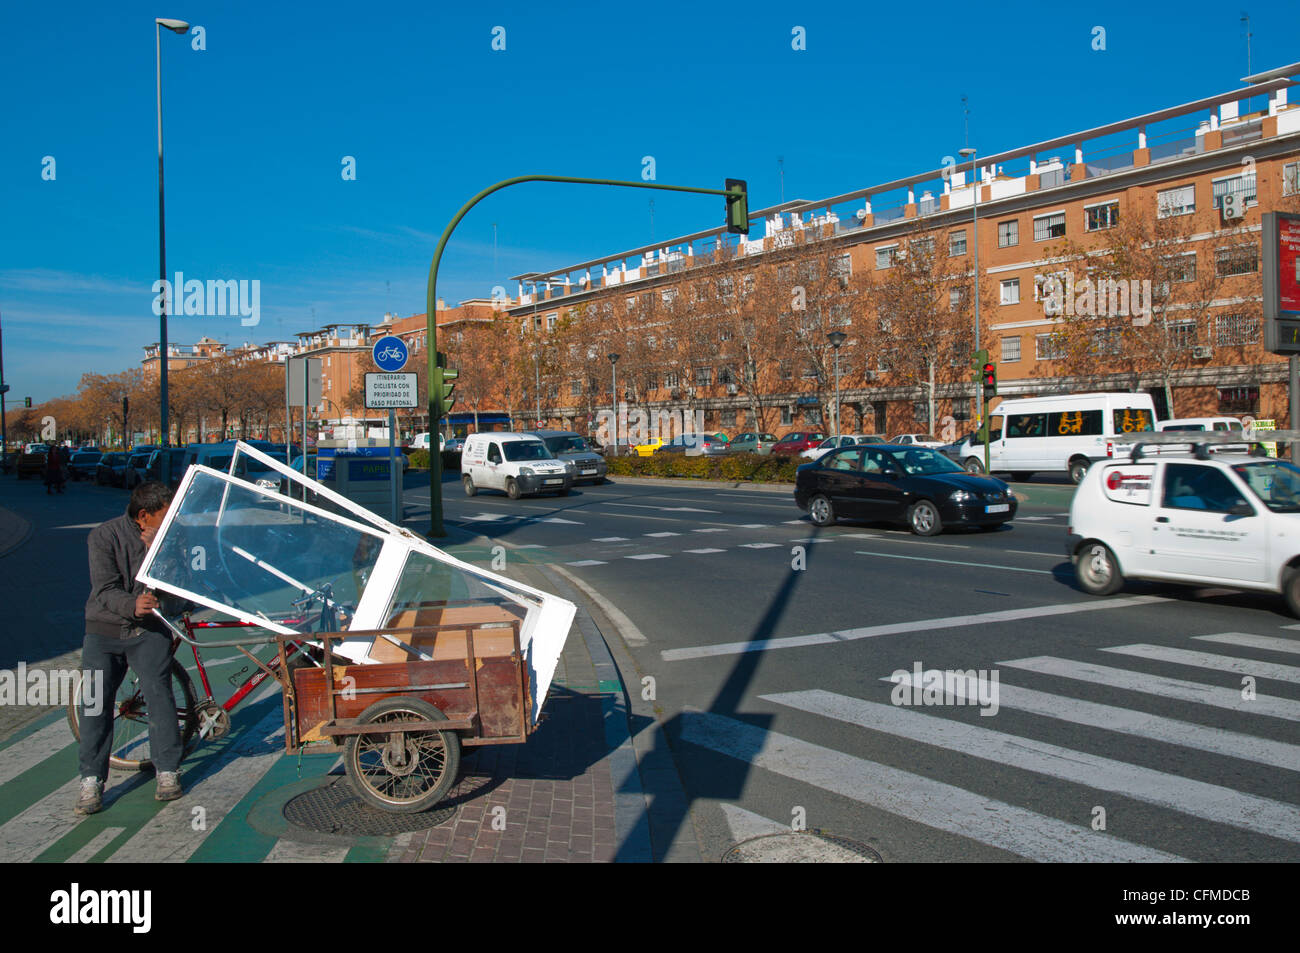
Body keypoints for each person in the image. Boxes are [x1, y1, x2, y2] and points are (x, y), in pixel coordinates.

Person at [76, 481, 183, 815]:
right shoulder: (103, 536)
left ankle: (167, 770)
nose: (169, 523)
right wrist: (133, 605)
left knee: (159, 693)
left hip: (149, 629)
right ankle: (91, 779)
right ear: (142, 516)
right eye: (163, 518)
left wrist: (159, 552)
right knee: (95, 702)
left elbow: (180, 587)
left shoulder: (169, 539)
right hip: (104, 629)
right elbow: (104, 588)